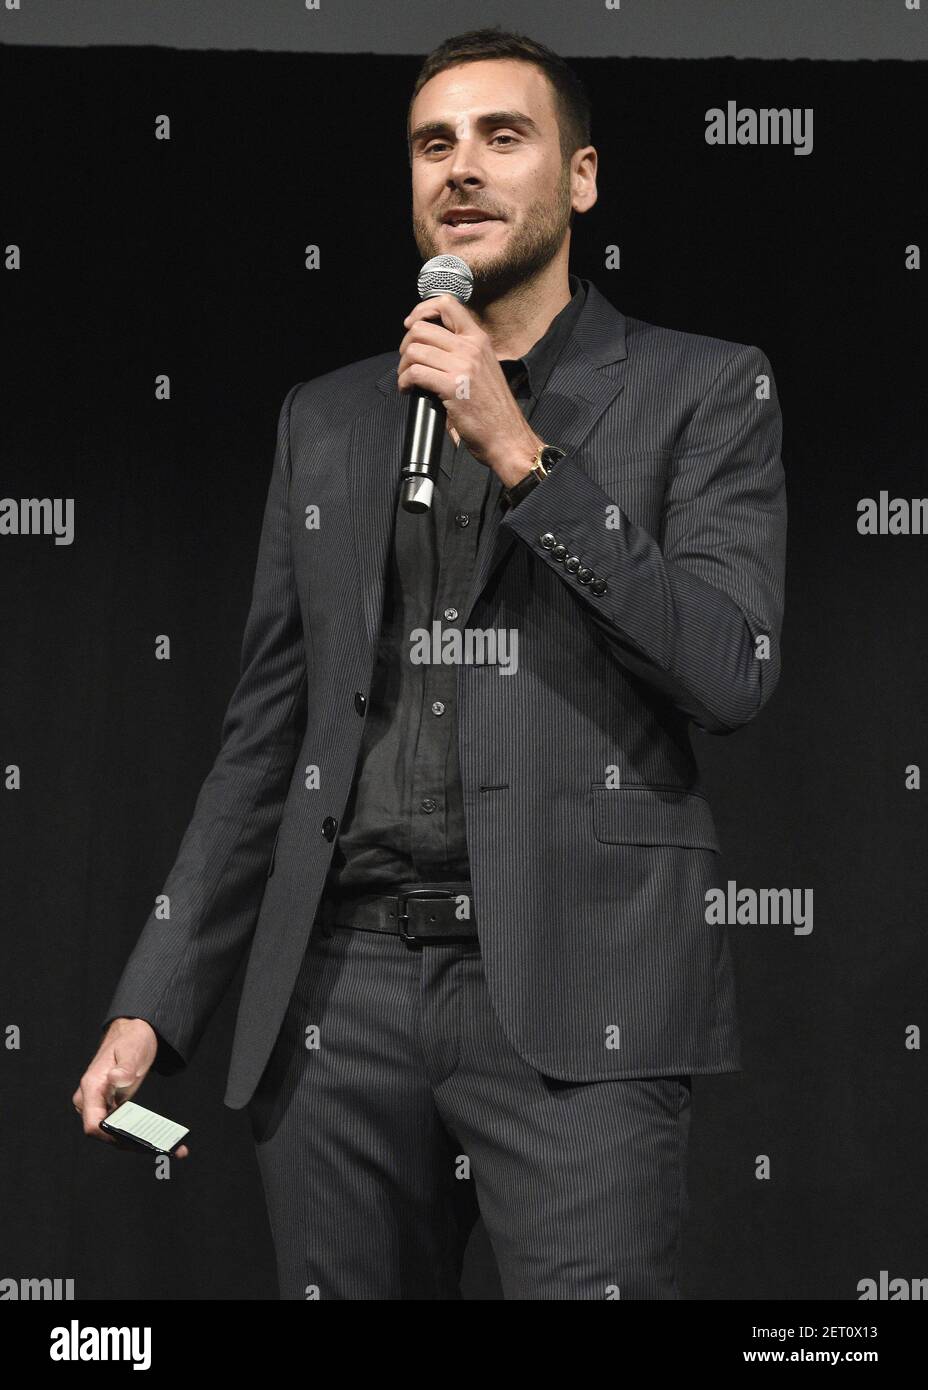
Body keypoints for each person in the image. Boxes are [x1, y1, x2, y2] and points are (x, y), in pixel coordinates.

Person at [74, 27, 786, 1299]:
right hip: (337, 996)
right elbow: (266, 737)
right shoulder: (334, 417)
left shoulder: (706, 390)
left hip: (580, 998)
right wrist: (157, 997)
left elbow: (730, 668)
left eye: (501, 137)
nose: (460, 166)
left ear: (579, 178)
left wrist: (523, 454)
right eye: (432, 143)